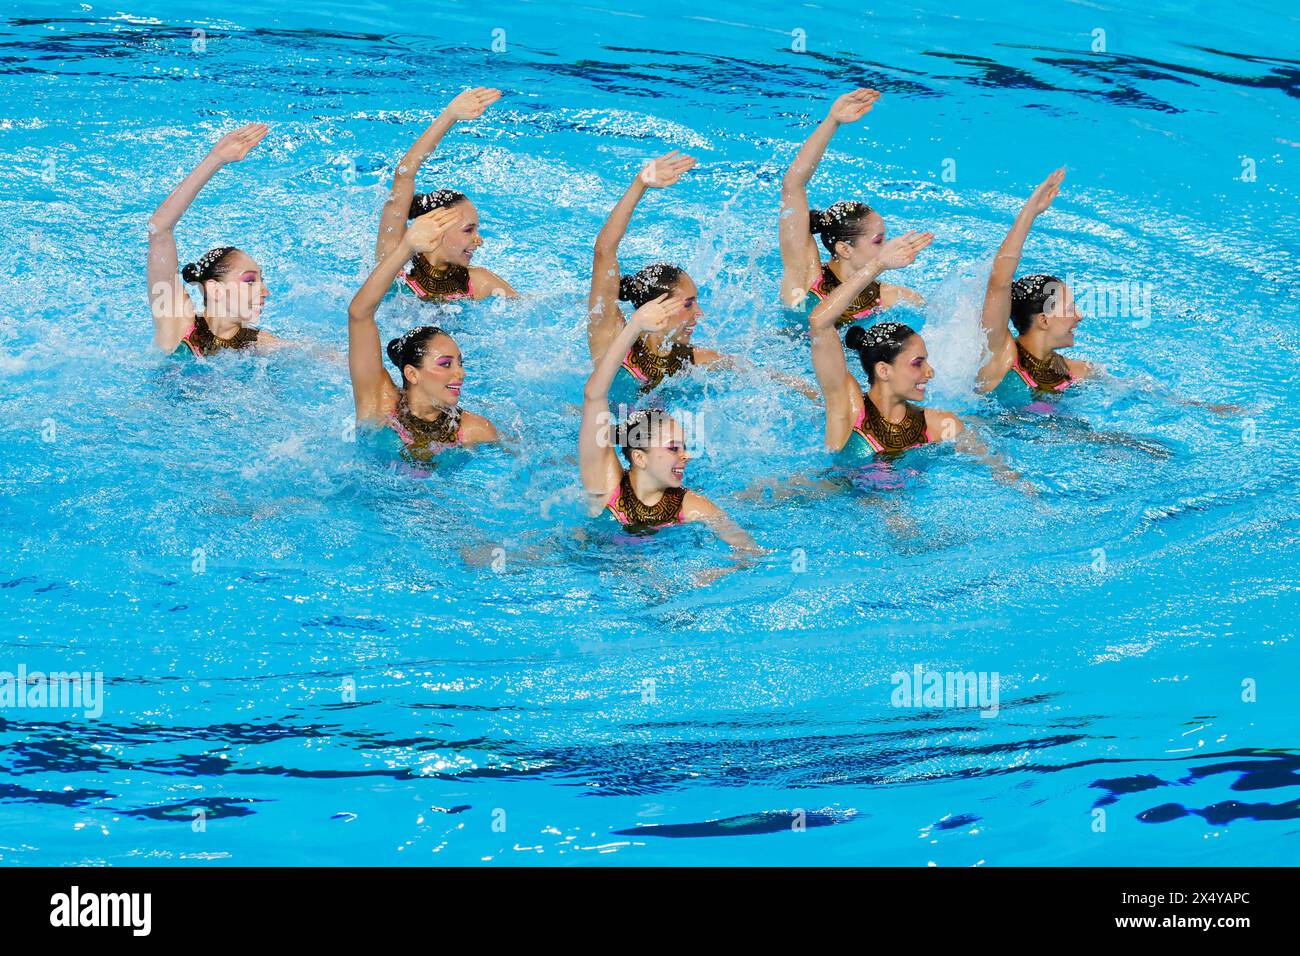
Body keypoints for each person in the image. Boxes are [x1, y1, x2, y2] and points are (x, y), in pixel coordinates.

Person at [589, 151, 814, 398]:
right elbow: (604, 250)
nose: (699, 313)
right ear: (657, 306)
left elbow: (751, 371)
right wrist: (639, 184)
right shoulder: (613, 339)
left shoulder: (690, 360)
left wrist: (805, 390)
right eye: (688, 304)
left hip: (652, 433)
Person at [580, 293, 759, 559]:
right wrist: (635, 326)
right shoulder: (606, 487)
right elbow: (594, 395)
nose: (685, 456)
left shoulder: (691, 506)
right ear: (639, 457)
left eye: (684, 447)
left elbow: (750, 551)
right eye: (674, 448)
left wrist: (718, 572)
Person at [349, 208, 498, 462]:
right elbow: (359, 314)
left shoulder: (473, 430)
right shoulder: (379, 405)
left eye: (460, 363)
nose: (459, 373)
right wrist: (406, 248)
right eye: (445, 364)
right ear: (411, 373)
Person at [779, 88, 926, 325]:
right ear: (844, 249)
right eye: (878, 241)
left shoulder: (894, 298)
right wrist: (832, 121)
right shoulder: (805, 277)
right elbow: (792, 186)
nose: (887, 247)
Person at [146, 123, 289, 357]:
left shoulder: (259, 344)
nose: (265, 292)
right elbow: (159, 229)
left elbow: (333, 359)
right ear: (214, 289)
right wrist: (216, 159)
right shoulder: (178, 325)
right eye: (250, 281)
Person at [375, 87, 516, 303]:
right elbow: (405, 173)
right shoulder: (395, 270)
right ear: (436, 228)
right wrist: (449, 116)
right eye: (469, 230)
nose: (479, 240)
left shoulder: (480, 283)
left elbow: (538, 308)